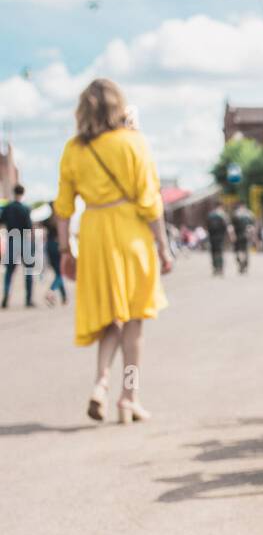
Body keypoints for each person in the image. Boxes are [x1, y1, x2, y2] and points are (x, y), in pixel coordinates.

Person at [54, 78, 172, 423]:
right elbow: (151, 202)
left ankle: (101, 383)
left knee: (110, 319)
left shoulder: (74, 149)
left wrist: (65, 250)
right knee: (133, 322)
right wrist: (163, 248)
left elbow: (62, 208)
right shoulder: (133, 142)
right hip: (130, 234)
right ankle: (128, 396)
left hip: (93, 235)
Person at [1, 183, 36, 308]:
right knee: (28, 271)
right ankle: (28, 299)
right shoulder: (25, 209)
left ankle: (6, 295)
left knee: (9, 272)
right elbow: (29, 227)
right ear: (23, 193)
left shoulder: (7, 207)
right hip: (24, 241)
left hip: (11, 240)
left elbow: (1, 222)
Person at [44, 218, 67, 305]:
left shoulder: (47, 219)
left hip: (49, 246)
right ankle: (51, 290)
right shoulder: (60, 220)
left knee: (58, 272)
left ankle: (64, 297)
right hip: (58, 246)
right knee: (61, 273)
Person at [231, 200, 255, 273]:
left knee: (238, 251)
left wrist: (232, 236)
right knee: (245, 251)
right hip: (246, 235)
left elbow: (231, 227)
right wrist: (251, 236)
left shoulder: (235, 214)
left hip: (238, 235)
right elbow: (251, 227)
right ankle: (244, 264)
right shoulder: (250, 214)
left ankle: (241, 263)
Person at [206, 202, 229, 275]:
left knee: (213, 252)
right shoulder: (223, 215)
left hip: (212, 237)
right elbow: (227, 226)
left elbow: (207, 226)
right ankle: (220, 268)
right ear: (221, 207)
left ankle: (215, 268)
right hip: (220, 237)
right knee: (220, 252)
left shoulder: (210, 215)